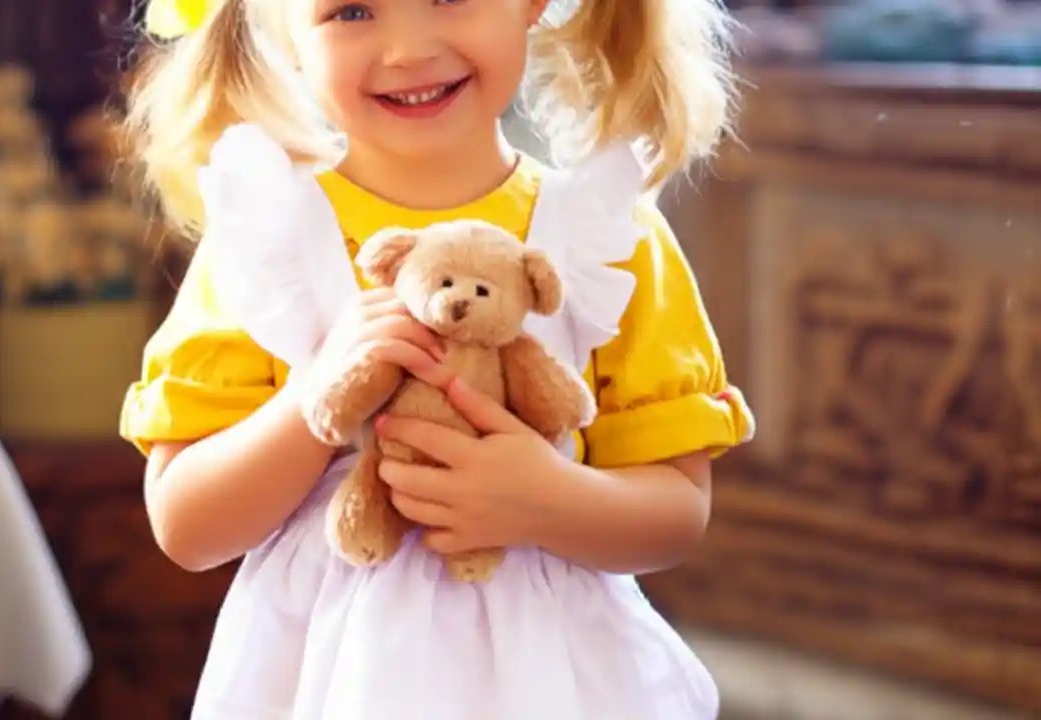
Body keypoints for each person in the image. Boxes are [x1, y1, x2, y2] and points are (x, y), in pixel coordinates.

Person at [119, 1, 755, 717]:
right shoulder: (268, 244)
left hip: (555, 681)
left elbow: (678, 513)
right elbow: (187, 527)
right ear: (282, 32)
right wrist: (314, 399)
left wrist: (548, 500)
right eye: (351, 10)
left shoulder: (611, 240)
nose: (407, 50)